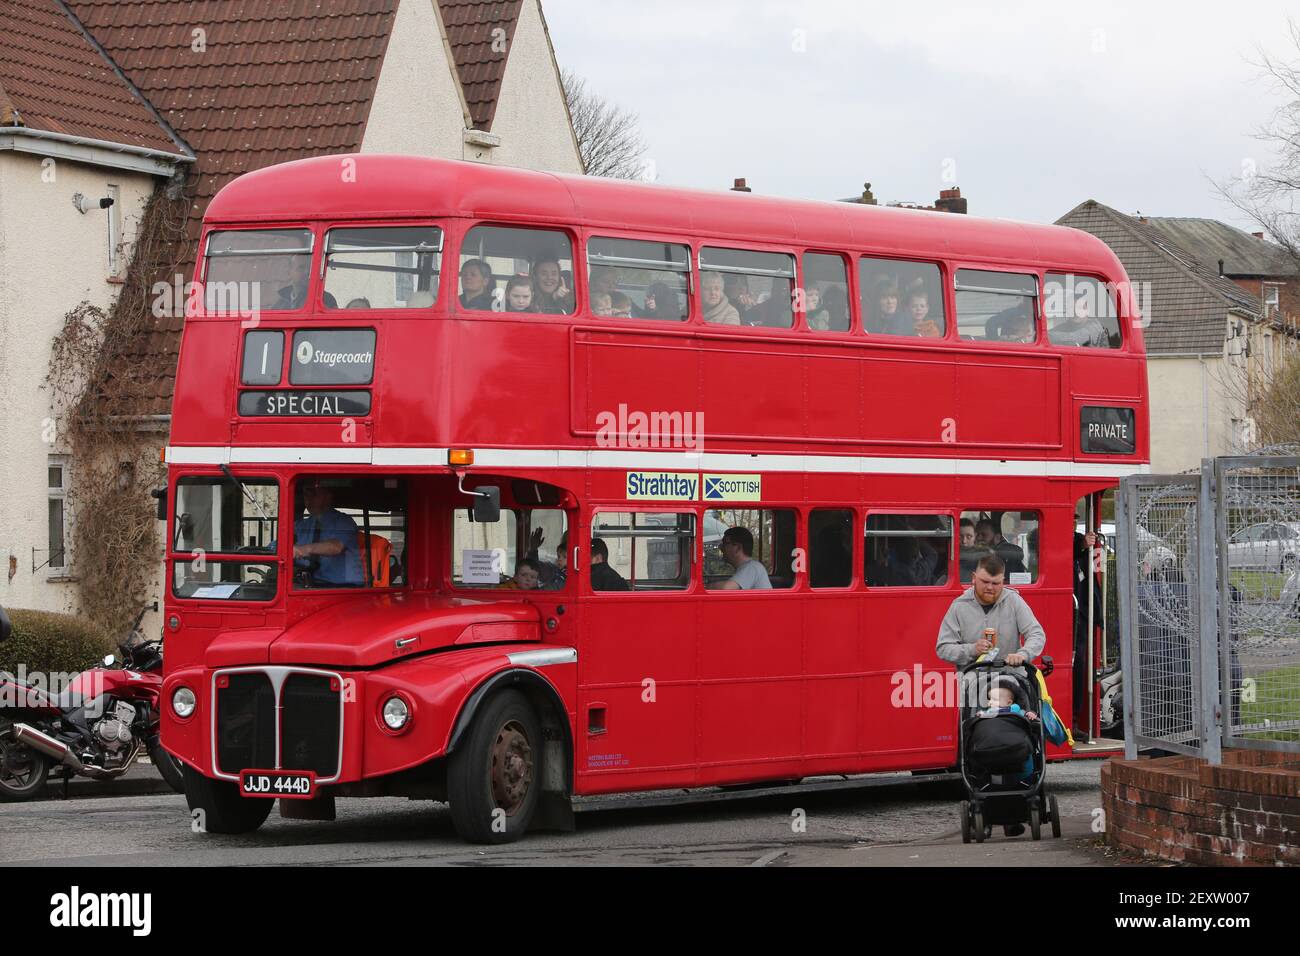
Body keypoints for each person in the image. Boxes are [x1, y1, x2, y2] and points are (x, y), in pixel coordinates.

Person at [935, 552, 1046, 674]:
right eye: (985, 581)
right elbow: (943, 648)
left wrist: (1023, 654)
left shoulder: (1013, 601)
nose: (989, 587)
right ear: (974, 578)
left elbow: (1036, 634)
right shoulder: (959, 606)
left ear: (1003, 582)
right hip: (972, 680)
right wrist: (972, 650)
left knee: (1004, 692)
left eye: (995, 583)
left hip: (1011, 676)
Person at [292, 479, 363, 587]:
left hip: (342, 589)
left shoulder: (344, 522)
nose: (308, 498)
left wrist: (304, 549)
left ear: (328, 496)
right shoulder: (301, 526)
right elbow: (277, 546)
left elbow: (336, 547)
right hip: (309, 584)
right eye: (305, 494)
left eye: (313, 493)